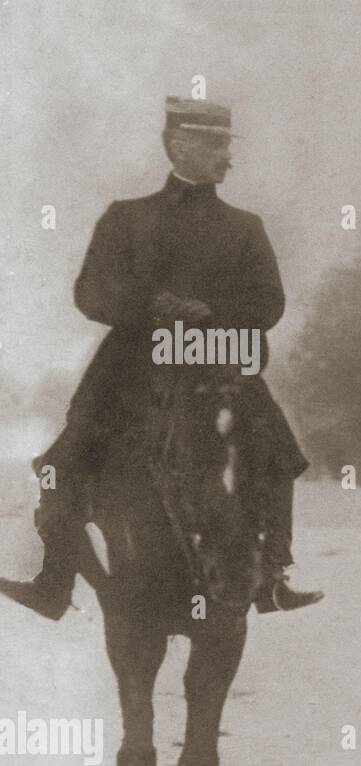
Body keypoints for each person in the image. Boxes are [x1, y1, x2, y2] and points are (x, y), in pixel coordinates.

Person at [0, 97, 322, 620]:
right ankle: (53, 581)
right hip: (133, 366)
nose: (227, 156)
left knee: (274, 449)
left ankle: (273, 575)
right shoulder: (125, 219)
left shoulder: (246, 227)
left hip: (217, 360)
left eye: (226, 144)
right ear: (178, 144)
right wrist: (153, 308)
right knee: (62, 463)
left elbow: (269, 303)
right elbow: (90, 293)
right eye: (215, 143)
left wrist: (210, 312)